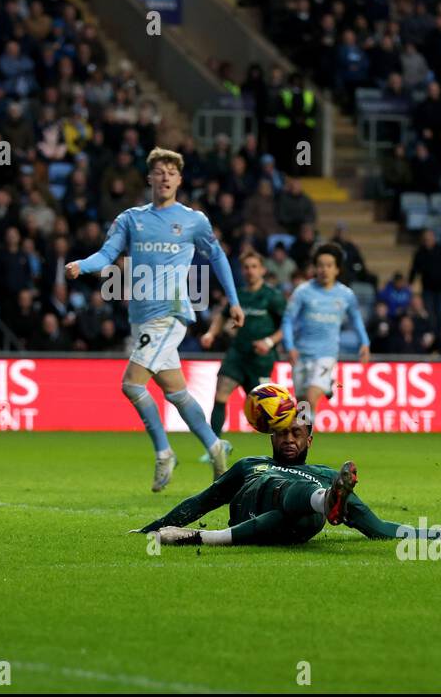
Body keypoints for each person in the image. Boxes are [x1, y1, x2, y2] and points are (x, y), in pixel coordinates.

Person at [67, 148, 243, 491]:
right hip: (141, 318)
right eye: (159, 172)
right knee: (175, 392)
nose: (165, 178)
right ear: (150, 178)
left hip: (171, 313)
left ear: (179, 179)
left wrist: (234, 301)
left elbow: (218, 256)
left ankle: (164, 452)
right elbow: (106, 254)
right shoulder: (131, 219)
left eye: (171, 173)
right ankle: (215, 445)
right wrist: (81, 265)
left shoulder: (194, 220)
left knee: (131, 384)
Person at [137, 417, 441, 546]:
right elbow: (202, 500)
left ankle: (201, 539)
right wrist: (152, 527)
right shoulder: (250, 465)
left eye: (297, 434)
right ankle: (323, 502)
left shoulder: (328, 474)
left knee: (311, 513)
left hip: (298, 521)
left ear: (310, 440)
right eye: (282, 434)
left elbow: (376, 527)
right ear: (271, 439)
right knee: (294, 494)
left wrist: (436, 532)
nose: (289, 440)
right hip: (256, 512)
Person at [198, 250, 286, 443]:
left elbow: (286, 326)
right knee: (220, 394)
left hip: (261, 359)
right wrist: (211, 333)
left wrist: (269, 342)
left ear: (262, 270)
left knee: (267, 408)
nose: (250, 271)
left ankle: (282, 449)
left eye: (254, 267)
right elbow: (222, 317)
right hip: (237, 355)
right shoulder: (236, 295)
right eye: (246, 267)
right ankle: (215, 447)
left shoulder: (273, 296)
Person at [282, 243, 370, 415]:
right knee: (302, 403)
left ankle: (306, 435)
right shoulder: (303, 292)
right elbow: (288, 320)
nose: (324, 270)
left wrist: (365, 343)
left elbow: (356, 319)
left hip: (326, 355)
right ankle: (304, 438)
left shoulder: (346, 295)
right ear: (315, 268)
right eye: (320, 265)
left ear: (337, 269)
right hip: (301, 353)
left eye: (329, 265)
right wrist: (290, 346)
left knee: (311, 397)